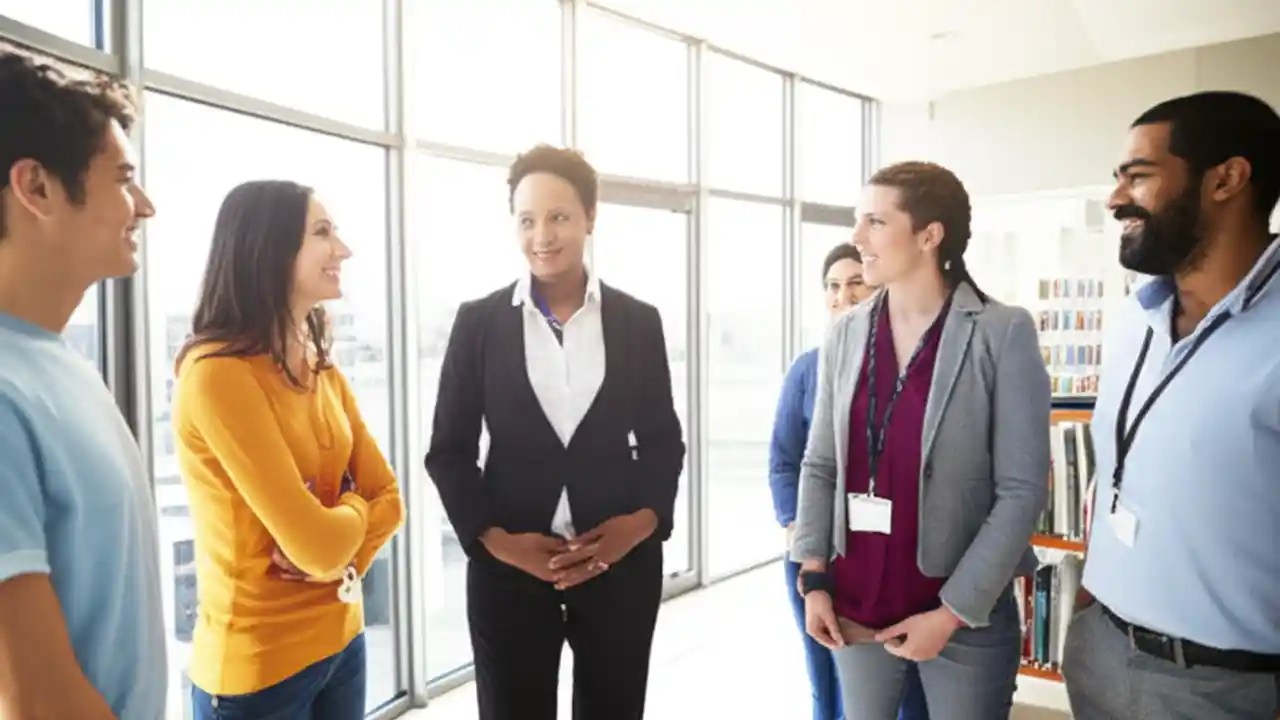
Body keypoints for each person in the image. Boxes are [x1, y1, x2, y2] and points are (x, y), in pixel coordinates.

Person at [425, 144, 685, 720]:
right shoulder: (478, 324)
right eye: (527, 219)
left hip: (617, 568)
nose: (542, 234)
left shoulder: (638, 322)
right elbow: (448, 452)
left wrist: (638, 526)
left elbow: (664, 441)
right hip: (508, 572)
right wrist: (496, 541)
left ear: (591, 217)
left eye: (559, 216)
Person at [790, 161, 1050, 720]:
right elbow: (819, 466)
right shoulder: (846, 332)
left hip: (963, 614)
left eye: (875, 222)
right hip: (855, 604)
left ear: (930, 236)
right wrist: (812, 578)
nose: (858, 238)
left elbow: (1022, 491)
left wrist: (951, 614)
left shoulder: (1002, 332)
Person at [1062, 92, 1280, 720]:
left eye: (1139, 176)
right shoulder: (1136, 318)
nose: (1115, 198)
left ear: (1226, 180)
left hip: (1223, 685)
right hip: (1099, 648)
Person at [173, 180, 405, 719]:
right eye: (322, 233)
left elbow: (391, 498)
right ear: (270, 250)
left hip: (343, 641)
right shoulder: (218, 376)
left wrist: (341, 555)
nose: (342, 249)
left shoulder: (322, 367)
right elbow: (319, 547)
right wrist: (352, 511)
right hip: (258, 672)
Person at [0, 47, 165, 719]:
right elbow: (37, 701)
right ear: (35, 187)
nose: (145, 206)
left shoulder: (57, 362)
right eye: (124, 178)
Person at [770, 243, 929, 720]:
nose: (844, 295)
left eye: (855, 281)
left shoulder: (911, 364)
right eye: (833, 286)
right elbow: (784, 460)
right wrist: (797, 525)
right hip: (818, 555)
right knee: (825, 680)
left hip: (886, 557)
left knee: (899, 689)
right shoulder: (807, 369)